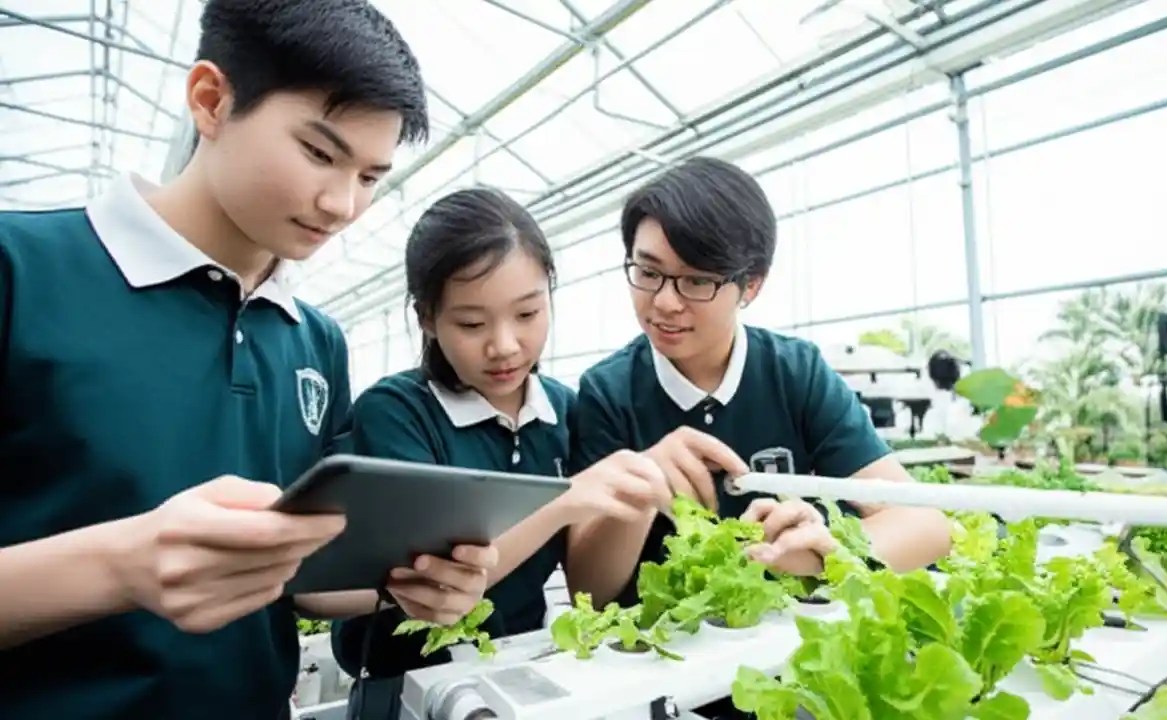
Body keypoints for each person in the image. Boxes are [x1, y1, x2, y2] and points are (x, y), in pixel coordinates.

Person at [0, 2, 494, 718]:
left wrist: (408, 581)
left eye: (371, 176)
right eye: (320, 154)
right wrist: (122, 566)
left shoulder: (313, 340)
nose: (341, 203)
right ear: (210, 100)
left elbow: (306, 574)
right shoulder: (23, 272)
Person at [330, 188, 666, 719]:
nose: (505, 345)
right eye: (471, 324)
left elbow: (592, 585)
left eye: (528, 313)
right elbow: (439, 578)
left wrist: (637, 494)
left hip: (523, 677)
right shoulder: (396, 412)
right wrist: (564, 500)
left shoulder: (565, 409)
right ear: (426, 317)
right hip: (406, 689)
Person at [568, 157, 954, 609]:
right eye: (649, 272)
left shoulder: (794, 373)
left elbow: (925, 523)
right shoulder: (609, 392)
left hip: (784, 637)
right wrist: (640, 485)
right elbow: (588, 590)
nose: (665, 302)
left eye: (697, 280)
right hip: (665, 654)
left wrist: (826, 552)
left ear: (751, 285)